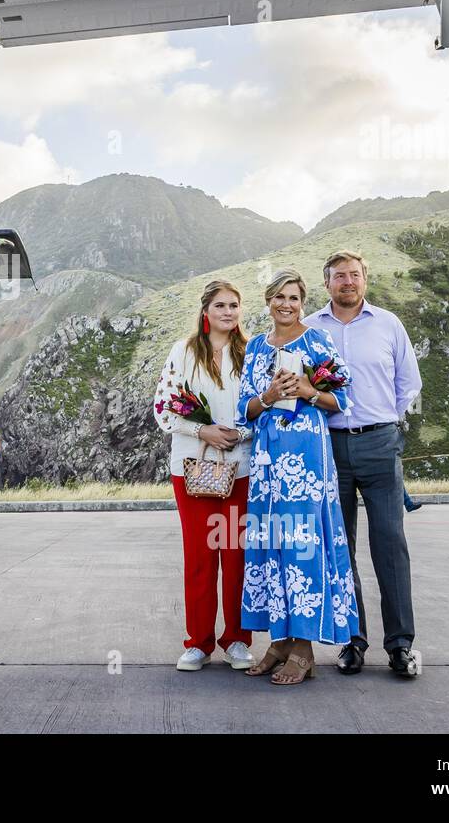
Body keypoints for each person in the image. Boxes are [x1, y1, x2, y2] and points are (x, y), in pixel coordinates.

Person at [235, 268, 359, 685]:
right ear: (268, 301)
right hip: (267, 461)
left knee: (302, 543)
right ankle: (278, 640)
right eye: (279, 297)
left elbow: (342, 398)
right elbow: (243, 410)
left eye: (294, 298)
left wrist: (308, 391)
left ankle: (303, 648)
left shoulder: (318, 341)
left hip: (306, 460)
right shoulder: (254, 346)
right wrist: (267, 398)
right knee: (271, 543)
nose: (286, 304)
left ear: (302, 302)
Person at [309, 251, 421, 678]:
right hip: (329, 448)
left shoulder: (389, 324)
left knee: (390, 544)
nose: (348, 282)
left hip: (378, 442)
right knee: (342, 548)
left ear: (364, 281)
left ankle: (400, 646)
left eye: (354, 275)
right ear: (328, 284)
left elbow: (408, 383)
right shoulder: (313, 328)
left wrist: (374, 418)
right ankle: (352, 642)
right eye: (340, 276)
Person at [153, 279, 255, 671]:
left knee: (236, 556)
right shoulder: (183, 352)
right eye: (220, 306)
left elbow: (261, 405)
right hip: (192, 468)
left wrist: (238, 433)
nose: (228, 312)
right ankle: (198, 642)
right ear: (205, 311)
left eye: (234, 305)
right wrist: (202, 430)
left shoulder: (251, 354)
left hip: (240, 467)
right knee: (199, 556)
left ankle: (237, 641)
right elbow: (164, 408)